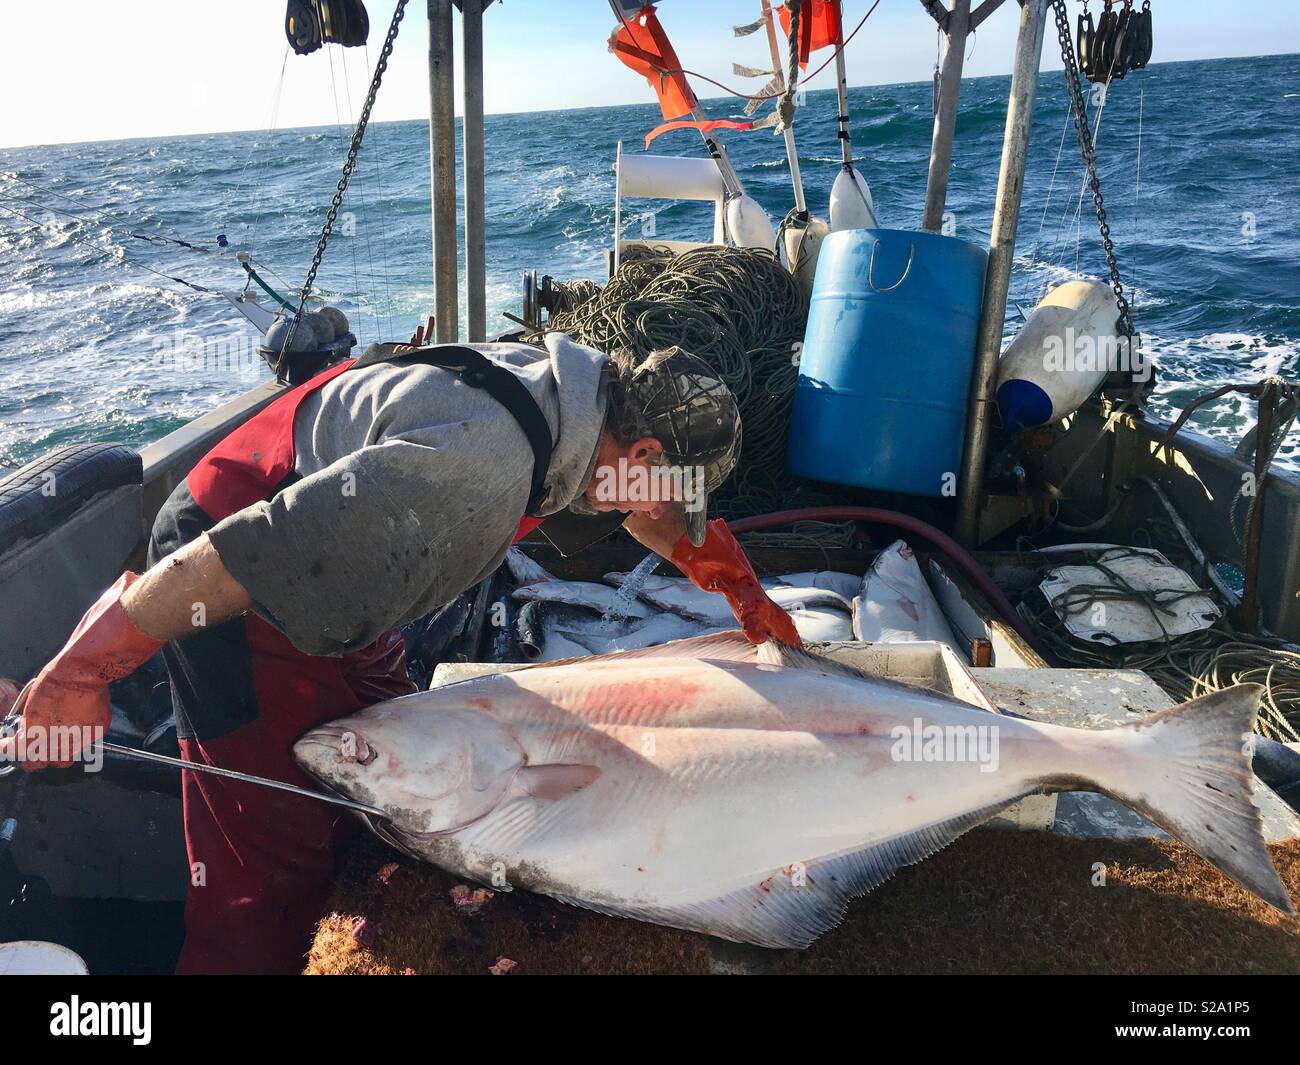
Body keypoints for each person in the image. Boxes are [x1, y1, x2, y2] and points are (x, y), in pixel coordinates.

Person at [0, 331, 799, 974]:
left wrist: (733, 583)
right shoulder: (479, 474)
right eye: (668, 491)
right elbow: (236, 558)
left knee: (383, 766)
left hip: (341, 563)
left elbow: (642, 505)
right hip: (242, 566)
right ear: (645, 454)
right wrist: (82, 672)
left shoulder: (577, 396)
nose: (661, 514)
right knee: (273, 849)